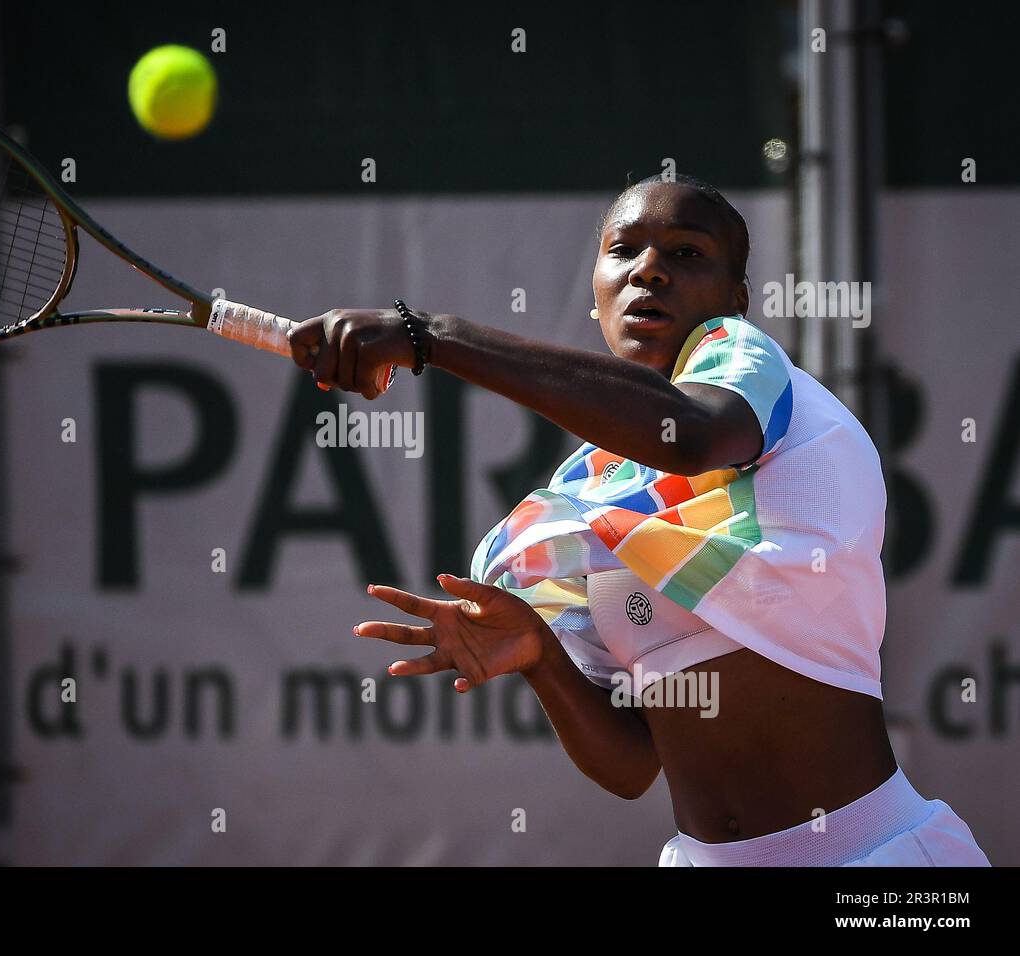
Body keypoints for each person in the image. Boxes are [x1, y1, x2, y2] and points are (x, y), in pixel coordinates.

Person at [285, 173, 990, 867]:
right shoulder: (598, 493)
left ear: (735, 299)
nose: (649, 269)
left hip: (873, 860)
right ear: (594, 293)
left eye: (686, 254)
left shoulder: (748, 374)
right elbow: (628, 765)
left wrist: (431, 336)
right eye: (625, 251)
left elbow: (687, 433)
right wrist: (539, 654)